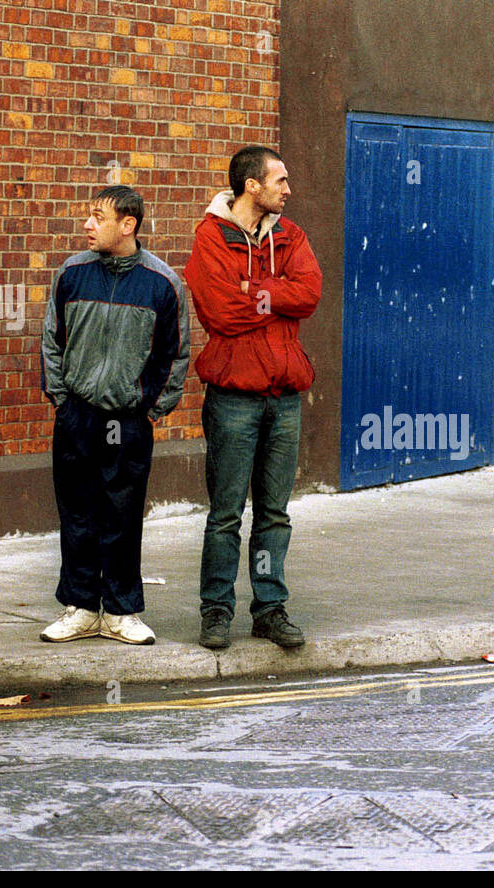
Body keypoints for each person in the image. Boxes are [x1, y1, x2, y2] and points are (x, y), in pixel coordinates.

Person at [39, 185, 190, 645]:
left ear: (128, 225)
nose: (87, 224)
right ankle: (82, 607)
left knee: (122, 515)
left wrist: (148, 407)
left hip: (125, 421)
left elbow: (175, 354)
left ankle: (122, 612)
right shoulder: (71, 274)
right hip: (77, 416)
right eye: (88, 215)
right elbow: (51, 341)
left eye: (97, 217)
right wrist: (63, 400)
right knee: (78, 514)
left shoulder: (162, 283)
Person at [184, 146, 322, 650]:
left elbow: (308, 294)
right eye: (280, 180)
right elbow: (220, 312)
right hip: (234, 398)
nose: (288, 190)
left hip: (284, 396)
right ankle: (216, 610)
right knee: (225, 513)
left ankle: (269, 608)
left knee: (274, 514)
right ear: (251, 186)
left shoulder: (292, 235)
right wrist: (274, 294)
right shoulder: (209, 237)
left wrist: (254, 290)